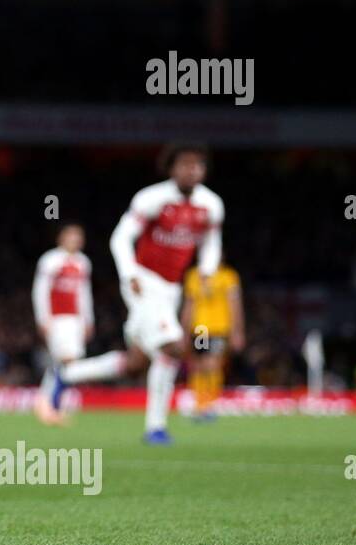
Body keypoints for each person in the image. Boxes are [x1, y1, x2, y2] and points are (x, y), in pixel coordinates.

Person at [35, 145, 224, 444]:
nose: (192, 170)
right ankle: (156, 427)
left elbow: (211, 242)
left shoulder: (211, 205)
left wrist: (207, 270)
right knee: (173, 347)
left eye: (197, 165)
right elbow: (121, 237)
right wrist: (129, 273)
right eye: (185, 165)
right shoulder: (152, 198)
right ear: (171, 168)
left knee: (136, 363)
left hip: (171, 289)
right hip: (143, 282)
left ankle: (67, 376)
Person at [31, 223, 93, 425]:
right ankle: (50, 406)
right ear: (61, 238)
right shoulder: (50, 260)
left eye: (78, 236)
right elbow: (40, 290)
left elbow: (84, 294)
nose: (75, 240)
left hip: (75, 320)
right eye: (71, 236)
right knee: (65, 361)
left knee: (67, 364)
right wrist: (43, 318)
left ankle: (47, 405)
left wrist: (87, 320)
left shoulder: (83, 263)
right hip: (57, 319)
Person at [180, 262, 244, 419]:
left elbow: (234, 305)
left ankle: (210, 404)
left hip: (219, 328)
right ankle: (199, 404)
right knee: (198, 366)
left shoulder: (228, 276)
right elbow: (189, 305)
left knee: (213, 364)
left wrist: (237, 331)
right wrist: (183, 331)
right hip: (201, 329)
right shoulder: (193, 276)